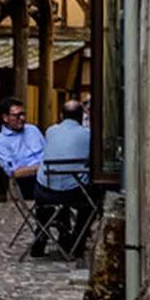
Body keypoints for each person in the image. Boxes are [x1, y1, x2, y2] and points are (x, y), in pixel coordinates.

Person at [36, 96, 94, 253]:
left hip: (45, 192)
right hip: (73, 192)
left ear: (61, 116)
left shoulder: (50, 131)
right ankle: (78, 240)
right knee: (92, 201)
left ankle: (42, 234)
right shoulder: (88, 134)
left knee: (58, 186)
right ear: (82, 116)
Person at [0, 97, 45, 199]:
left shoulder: (33, 130)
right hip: (30, 181)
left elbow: (48, 152)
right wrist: (40, 168)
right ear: (5, 118)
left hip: (51, 175)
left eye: (23, 114)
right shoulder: (1, 142)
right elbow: (15, 172)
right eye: (17, 115)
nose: (22, 118)